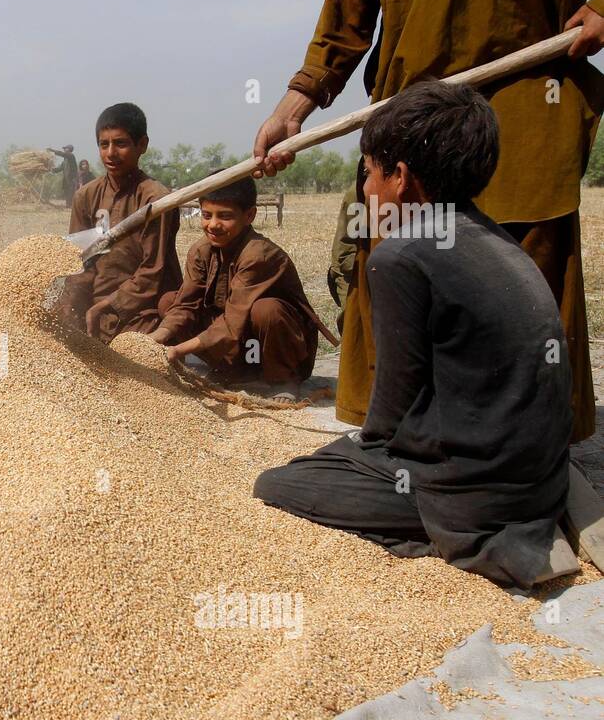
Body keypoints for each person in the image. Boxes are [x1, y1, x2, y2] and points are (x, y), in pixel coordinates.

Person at [252, 0, 604, 442]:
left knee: (523, 282)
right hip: (410, 108)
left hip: (529, 99)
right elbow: (346, 14)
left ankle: (525, 451)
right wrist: (293, 108)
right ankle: (404, 445)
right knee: (402, 279)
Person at [254, 82, 573, 588]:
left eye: (369, 172)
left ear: (400, 178)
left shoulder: (401, 257)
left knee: (279, 482)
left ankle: (442, 535)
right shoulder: (499, 239)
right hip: (543, 484)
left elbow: (389, 415)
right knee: (338, 457)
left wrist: (362, 453)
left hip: (471, 495)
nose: (365, 188)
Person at [152, 175, 318, 400]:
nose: (213, 225)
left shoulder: (258, 254)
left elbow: (232, 322)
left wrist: (177, 350)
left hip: (272, 346)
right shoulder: (200, 251)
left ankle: (283, 379)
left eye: (225, 216)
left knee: (266, 310)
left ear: (249, 215)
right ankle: (231, 370)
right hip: (238, 345)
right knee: (169, 301)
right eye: (207, 215)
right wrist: (155, 339)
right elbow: (186, 305)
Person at [60, 103, 181, 343]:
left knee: (136, 349)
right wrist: (71, 304)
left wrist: (107, 305)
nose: (110, 153)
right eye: (103, 144)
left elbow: (151, 272)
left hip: (142, 308)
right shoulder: (85, 196)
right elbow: (79, 261)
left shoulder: (155, 199)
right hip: (94, 304)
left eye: (121, 143)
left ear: (142, 145)